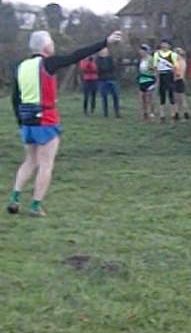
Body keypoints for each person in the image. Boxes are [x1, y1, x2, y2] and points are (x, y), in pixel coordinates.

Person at [8, 29, 122, 217]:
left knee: (29, 161)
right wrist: (105, 42)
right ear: (45, 46)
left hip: (26, 120)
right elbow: (77, 55)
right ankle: (36, 206)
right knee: (46, 164)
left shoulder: (21, 66)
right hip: (45, 119)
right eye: (51, 42)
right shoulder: (48, 63)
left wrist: (20, 122)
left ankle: (15, 197)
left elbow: (15, 98)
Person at [152, 39, 177, 121]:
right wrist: (156, 76)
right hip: (161, 74)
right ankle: (162, 114)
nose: (164, 46)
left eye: (166, 44)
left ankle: (173, 113)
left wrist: (174, 77)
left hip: (169, 74)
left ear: (169, 45)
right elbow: (155, 66)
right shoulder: (157, 54)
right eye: (163, 44)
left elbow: (175, 66)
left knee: (171, 94)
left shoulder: (172, 54)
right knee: (162, 94)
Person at [96, 47, 119, 118]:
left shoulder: (110, 59)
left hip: (111, 79)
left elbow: (113, 67)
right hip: (102, 80)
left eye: (105, 51)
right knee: (104, 96)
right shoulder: (97, 60)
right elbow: (99, 69)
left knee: (115, 95)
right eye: (102, 51)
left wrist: (108, 71)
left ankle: (117, 112)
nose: (104, 52)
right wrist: (106, 70)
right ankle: (105, 113)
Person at [135, 44, 156, 120]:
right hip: (142, 80)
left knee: (149, 98)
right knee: (142, 97)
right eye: (140, 51)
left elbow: (154, 70)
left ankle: (151, 113)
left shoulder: (151, 59)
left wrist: (151, 70)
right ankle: (145, 113)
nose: (140, 52)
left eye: (142, 50)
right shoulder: (141, 60)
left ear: (146, 51)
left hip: (149, 80)